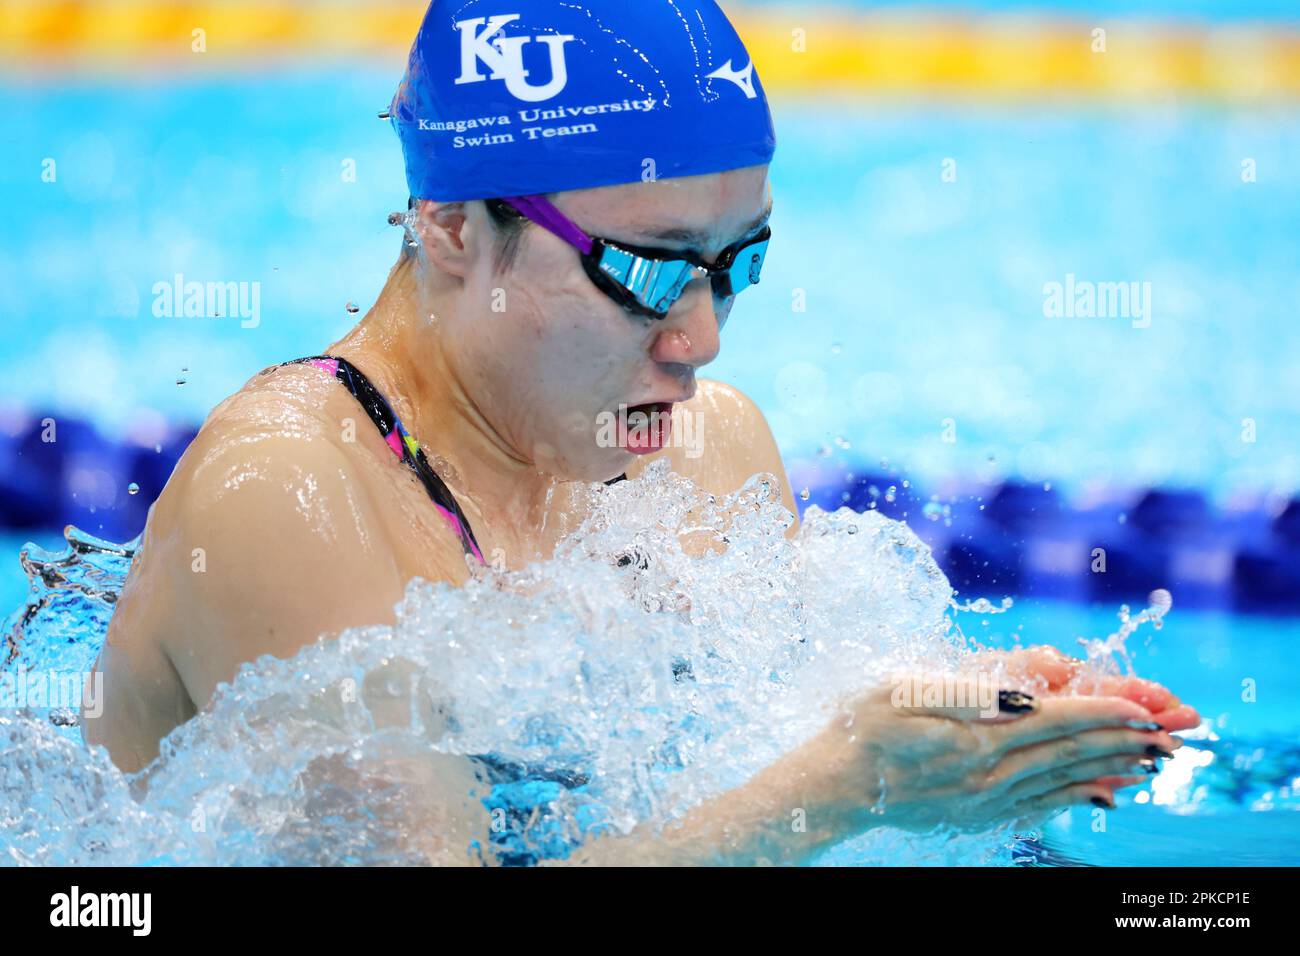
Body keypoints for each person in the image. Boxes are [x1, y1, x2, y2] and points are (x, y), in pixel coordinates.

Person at [82, 0, 1197, 864]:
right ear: (454, 225)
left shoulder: (705, 447)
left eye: (737, 262)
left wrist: (972, 731)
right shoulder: (290, 492)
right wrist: (851, 784)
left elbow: (744, 757)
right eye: (645, 270)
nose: (700, 339)